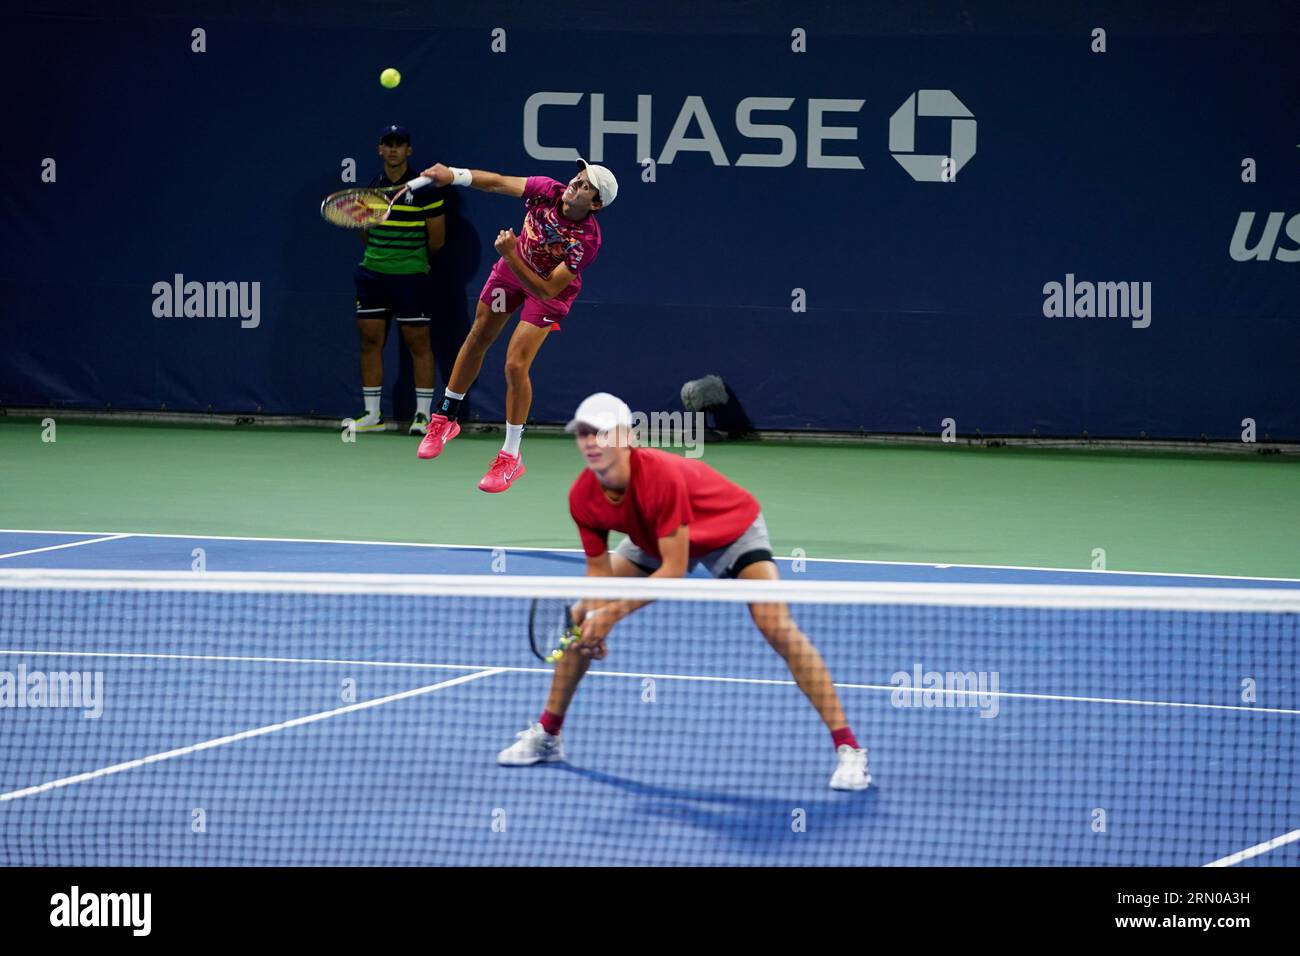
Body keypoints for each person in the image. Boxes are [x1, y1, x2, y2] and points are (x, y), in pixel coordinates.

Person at [496, 392, 871, 791]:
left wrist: (610, 614)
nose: (591, 442)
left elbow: (674, 572)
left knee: (775, 624)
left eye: (601, 433)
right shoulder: (583, 497)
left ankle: (849, 749)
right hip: (656, 533)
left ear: (627, 438)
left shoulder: (659, 476)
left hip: (728, 528)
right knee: (579, 619)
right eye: (584, 434)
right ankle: (548, 734)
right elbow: (599, 577)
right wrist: (592, 614)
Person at [414, 159, 616, 493]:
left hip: (548, 290)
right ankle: (445, 418)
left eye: (584, 186)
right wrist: (454, 175)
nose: (574, 185)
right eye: (577, 178)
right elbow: (496, 181)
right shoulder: (547, 190)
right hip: (513, 269)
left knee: (515, 364)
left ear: (595, 204)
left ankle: (510, 456)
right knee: (478, 335)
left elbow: (547, 288)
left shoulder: (587, 240)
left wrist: (510, 256)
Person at [347, 125, 447, 435]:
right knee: (370, 342)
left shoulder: (425, 189)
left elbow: (437, 239)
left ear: (409, 151)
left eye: (399, 144)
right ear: (380, 150)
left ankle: (422, 416)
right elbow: (364, 232)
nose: (393, 149)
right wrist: (383, 255)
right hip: (372, 274)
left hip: (410, 277)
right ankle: (373, 414)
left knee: (419, 343)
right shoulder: (370, 191)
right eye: (388, 144)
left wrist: (408, 259)